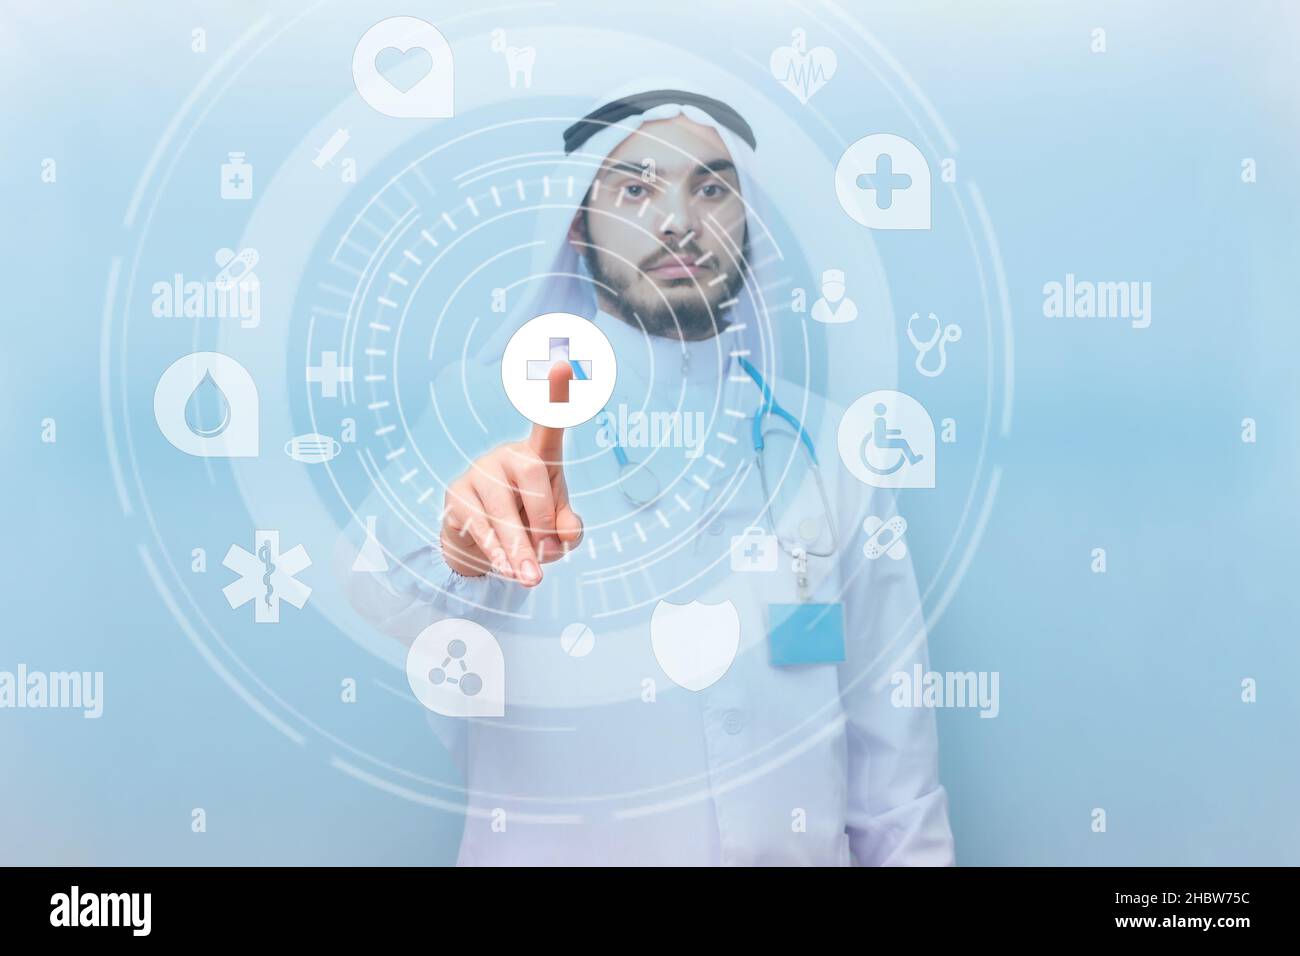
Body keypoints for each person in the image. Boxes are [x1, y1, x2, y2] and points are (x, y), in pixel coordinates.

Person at [339, 85, 955, 866]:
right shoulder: (489, 404)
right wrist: (461, 541)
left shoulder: (825, 445)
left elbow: (893, 761)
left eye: (710, 187)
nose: (677, 221)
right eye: (635, 187)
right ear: (577, 220)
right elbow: (375, 584)